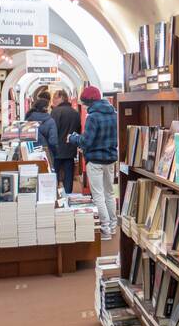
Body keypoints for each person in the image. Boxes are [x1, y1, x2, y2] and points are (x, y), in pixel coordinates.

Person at [68, 85, 117, 240]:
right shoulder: (114, 114)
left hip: (95, 160)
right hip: (110, 159)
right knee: (109, 193)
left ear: (89, 101)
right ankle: (113, 226)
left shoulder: (93, 117)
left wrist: (72, 138)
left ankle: (105, 229)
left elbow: (86, 142)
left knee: (98, 195)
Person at [48, 89, 81, 195]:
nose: (53, 101)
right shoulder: (75, 113)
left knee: (54, 174)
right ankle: (68, 195)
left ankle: (54, 195)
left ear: (61, 98)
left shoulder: (55, 112)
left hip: (56, 150)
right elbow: (78, 130)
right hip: (70, 149)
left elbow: (52, 130)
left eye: (54, 98)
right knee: (68, 175)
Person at [25, 94, 58, 169]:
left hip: (29, 152)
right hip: (45, 153)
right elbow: (53, 141)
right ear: (45, 108)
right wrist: (54, 153)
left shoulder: (28, 119)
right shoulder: (50, 121)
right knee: (46, 174)